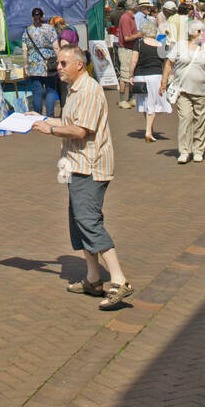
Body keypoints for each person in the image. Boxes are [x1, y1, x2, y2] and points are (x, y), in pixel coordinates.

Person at [30, 46, 132, 310]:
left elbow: (80, 130)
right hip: (76, 165)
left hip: (91, 165)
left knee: (89, 220)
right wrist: (42, 117)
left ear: (78, 65)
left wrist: (49, 128)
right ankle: (93, 279)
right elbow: (70, 121)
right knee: (79, 222)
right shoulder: (74, 89)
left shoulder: (88, 90)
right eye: (58, 63)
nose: (59, 67)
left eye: (64, 63)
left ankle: (119, 280)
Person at [161, 19, 205, 165]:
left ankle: (198, 150)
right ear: (191, 33)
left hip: (202, 91)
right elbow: (169, 63)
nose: (202, 34)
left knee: (200, 121)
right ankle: (184, 151)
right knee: (185, 120)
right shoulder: (180, 46)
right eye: (199, 31)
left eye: (203, 31)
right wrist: (163, 82)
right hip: (183, 90)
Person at [129, 17, 171, 142]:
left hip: (140, 76)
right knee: (152, 104)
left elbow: (133, 61)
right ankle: (148, 131)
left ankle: (150, 129)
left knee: (145, 103)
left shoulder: (139, 44)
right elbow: (167, 63)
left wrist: (130, 75)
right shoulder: (162, 45)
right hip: (155, 76)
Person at [21, 8, 60, 118]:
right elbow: (56, 47)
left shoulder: (27, 31)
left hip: (34, 66)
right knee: (50, 91)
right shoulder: (50, 29)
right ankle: (49, 116)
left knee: (37, 92)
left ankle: (37, 116)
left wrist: (25, 65)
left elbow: (24, 50)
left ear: (32, 17)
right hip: (49, 65)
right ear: (43, 17)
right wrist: (60, 61)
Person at [116, 0, 141, 109]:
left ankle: (131, 98)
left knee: (131, 74)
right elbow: (126, 37)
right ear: (134, 6)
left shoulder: (130, 17)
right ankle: (122, 100)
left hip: (131, 49)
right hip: (126, 49)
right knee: (125, 74)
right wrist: (139, 35)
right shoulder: (126, 18)